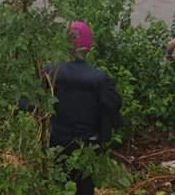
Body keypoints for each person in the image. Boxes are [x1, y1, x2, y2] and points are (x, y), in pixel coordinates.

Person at [45, 21, 123, 195]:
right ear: (89, 48)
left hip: (56, 140)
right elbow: (114, 104)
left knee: (58, 181)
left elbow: (30, 102)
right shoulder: (99, 78)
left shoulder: (51, 71)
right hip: (87, 144)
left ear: (66, 46)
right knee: (84, 184)